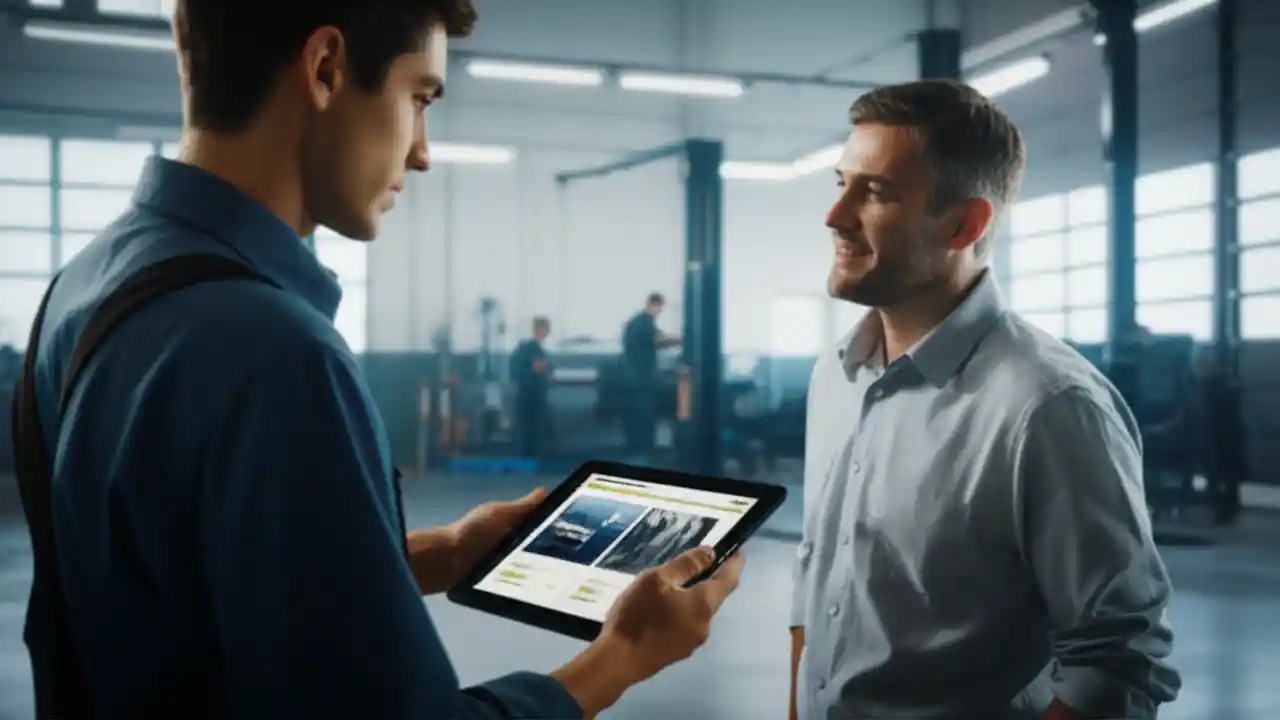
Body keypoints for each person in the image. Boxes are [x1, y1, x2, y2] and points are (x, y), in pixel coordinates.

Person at [21, 2, 744, 717]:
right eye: (419, 98)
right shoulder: (278, 353)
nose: (421, 152)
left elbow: (184, 592)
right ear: (326, 69)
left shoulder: (86, 286)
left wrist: (443, 552)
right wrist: (622, 654)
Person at [788, 80, 1180, 720]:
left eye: (875, 191)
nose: (835, 215)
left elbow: (1115, 662)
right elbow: (815, 579)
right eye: (841, 183)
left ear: (965, 224)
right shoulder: (836, 375)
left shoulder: (1049, 407)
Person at [620, 292, 680, 460]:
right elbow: (659, 340)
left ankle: (637, 450)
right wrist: (684, 339)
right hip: (641, 380)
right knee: (644, 417)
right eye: (660, 308)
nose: (660, 312)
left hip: (633, 378)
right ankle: (643, 452)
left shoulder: (636, 322)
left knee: (636, 418)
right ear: (654, 305)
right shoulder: (644, 323)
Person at [510, 316, 553, 457]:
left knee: (532, 430)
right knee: (529, 430)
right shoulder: (529, 349)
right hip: (530, 396)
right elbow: (524, 371)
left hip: (533, 395)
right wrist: (536, 369)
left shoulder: (532, 349)